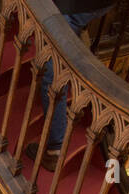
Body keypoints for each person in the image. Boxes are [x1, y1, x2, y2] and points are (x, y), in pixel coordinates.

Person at [39, 1, 117, 170]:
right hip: (91, 6)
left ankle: (55, 149)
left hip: (74, 6)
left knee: (52, 74)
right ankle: (79, 100)